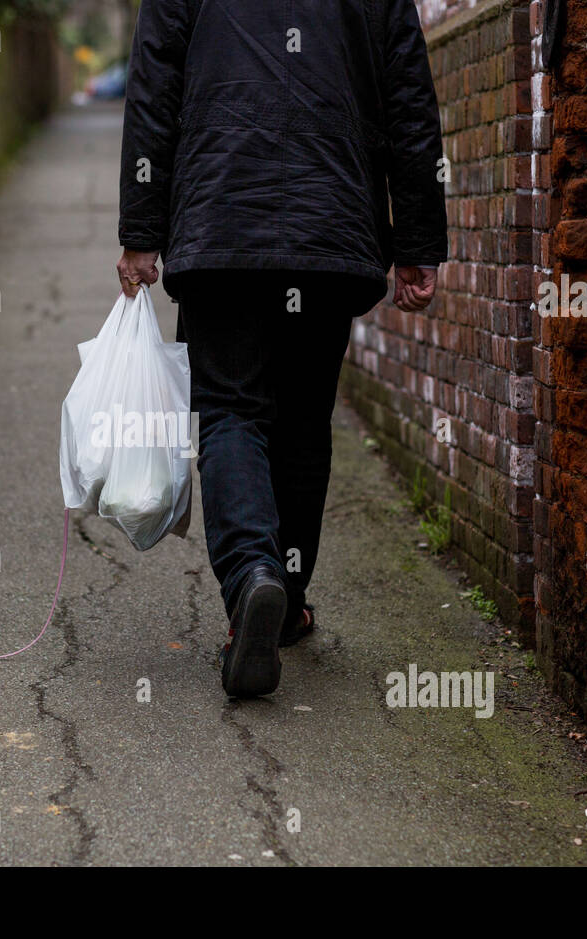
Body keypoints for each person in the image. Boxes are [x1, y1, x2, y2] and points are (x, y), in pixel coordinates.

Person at [116, 0, 447, 697]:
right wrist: (418, 241)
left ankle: (253, 579)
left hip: (220, 219)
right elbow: (410, 101)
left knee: (232, 409)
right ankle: (287, 597)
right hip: (333, 226)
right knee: (301, 421)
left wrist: (142, 228)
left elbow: (153, 85)